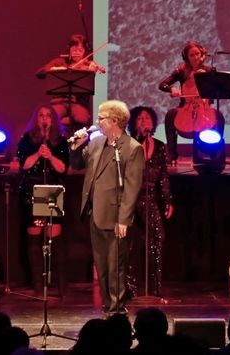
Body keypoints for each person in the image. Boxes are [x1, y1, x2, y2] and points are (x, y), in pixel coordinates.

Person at [69, 100, 145, 317]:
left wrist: (124, 219)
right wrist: (76, 146)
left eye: (101, 118)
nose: (97, 121)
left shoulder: (132, 148)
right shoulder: (96, 143)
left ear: (114, 121)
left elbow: (132, 188)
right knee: (101, 266)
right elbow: (76, 165)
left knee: (115, 267)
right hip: (96, 214)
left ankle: (117, 311)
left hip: (115, 217)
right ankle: (107, 307)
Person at [15, 105, 71, 295]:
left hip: (52, 190)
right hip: (32, 189)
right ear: (36, 119)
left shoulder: (61, 141)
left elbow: (62, 168)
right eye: (41, 115)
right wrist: (39, 153)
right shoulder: (27, 139)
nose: (44, 118)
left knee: (55, 237)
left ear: (53, 119)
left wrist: (50, 156)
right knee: (34, 237)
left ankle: (60, 286)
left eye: (48, 115)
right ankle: (38, 285)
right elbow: (24, 164)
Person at [126, 106, 172, 297]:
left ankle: (156, 286)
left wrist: (168, 201)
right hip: (131, 201)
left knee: (158, 238)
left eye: (147, 118)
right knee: (132, 244)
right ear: (134, 123)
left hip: (151, 199)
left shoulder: (160, 146)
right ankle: (131, 287)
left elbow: (163, 176)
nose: (144, 120)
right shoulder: (129, 144)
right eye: (140, 118)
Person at [158, 41, 225, 164]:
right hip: (186, 108)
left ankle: (215, 153)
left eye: (197, 54)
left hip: (204, 109)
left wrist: (207, 78)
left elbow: (218, 90)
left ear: (202, 54)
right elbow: (162, 85)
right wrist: (171, 89)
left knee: (219, 117)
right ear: (186, 58)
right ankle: (172, 155)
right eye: (191, 55)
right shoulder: (181, 71)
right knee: (170, 115)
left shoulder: (208, 70)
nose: (195, 57)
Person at [36, 34, 105, 131]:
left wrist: (91, 70)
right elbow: (39, 73)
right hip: (59, 102)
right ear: (69, 49)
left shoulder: (88, 64)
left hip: (77, 103)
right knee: (51, 117)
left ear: (84, 51)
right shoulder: (60, 61)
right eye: (74, 50)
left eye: (80, 50)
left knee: (82, 118)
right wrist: (56, 69)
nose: (77, 53)